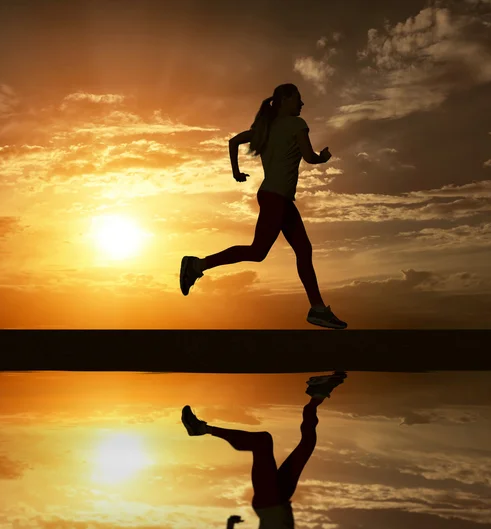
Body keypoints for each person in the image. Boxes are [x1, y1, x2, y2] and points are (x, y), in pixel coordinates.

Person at [180, 83, 347, 330]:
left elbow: (234, 141)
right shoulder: (297, 125)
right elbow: (309, 157)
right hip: (276, 198)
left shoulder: (265, 128)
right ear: (285, 99)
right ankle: (196, 264)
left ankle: (318, 309)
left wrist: (236, 172)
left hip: (276, 198)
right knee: (258, 251)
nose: (302, 104)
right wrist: (323, 158)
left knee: (303, 249)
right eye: (298, 99)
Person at [181, 371, 348, 529]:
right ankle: (316, 396)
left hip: (269, 504)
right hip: (281, 501)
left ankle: (201, 429)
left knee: (262, 441)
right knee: (308, 443)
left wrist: (230, 525)